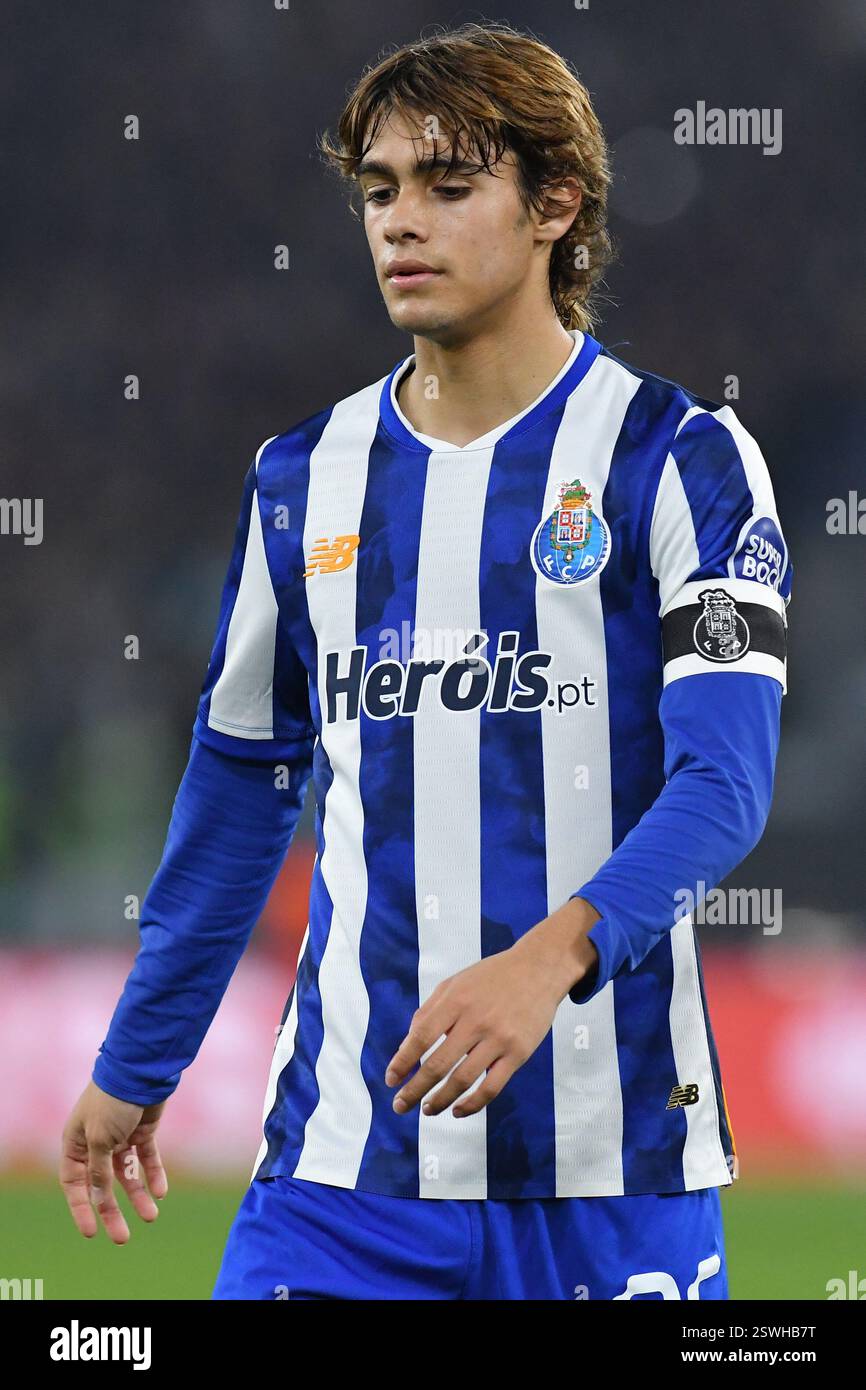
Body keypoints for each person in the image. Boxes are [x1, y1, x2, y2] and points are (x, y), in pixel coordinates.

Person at [60, 22, 792, 1300]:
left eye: (449, 187)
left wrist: (551, 954)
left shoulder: (678, 459)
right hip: (344, 1179)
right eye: (380, 190)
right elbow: (240, 792)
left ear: (554, 203)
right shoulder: (299, 481)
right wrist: (139, 1060)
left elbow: (722, 783)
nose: (401, 222)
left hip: (613, 1171)